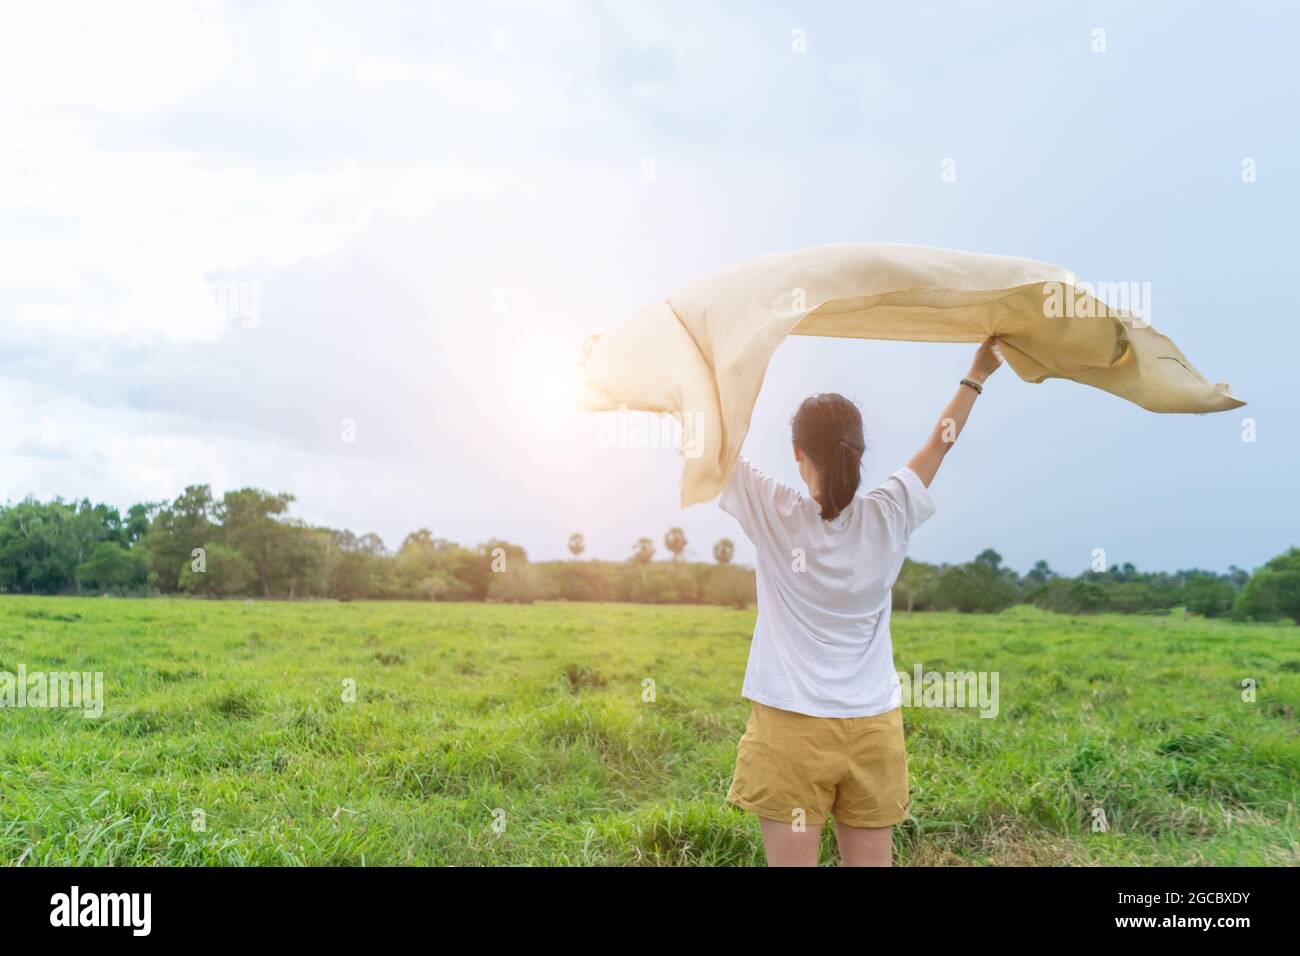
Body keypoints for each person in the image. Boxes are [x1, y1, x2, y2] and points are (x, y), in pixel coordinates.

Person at [720, 337, 1004, 866]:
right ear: (861, 449)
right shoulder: (890, 511)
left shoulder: (774, 509)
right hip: (873, 727)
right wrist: (977, 373)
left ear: (797, 452)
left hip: (790, 727)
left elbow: (710, 445)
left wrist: (675, 377)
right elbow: (941, 443)